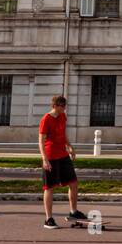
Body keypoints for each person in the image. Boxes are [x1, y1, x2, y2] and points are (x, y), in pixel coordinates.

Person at [39, 95, 87, 229]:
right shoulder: (46, 119)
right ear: (54, 106)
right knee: (49, 187)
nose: (64, 109)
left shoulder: (63, 117)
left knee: (73, 183)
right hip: (50, 157)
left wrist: (70, 146)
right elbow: (41, 142)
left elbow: (63, 134)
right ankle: (48, 219)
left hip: (63, 155)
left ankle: (73, 212)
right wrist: (44, 159)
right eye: (62, 106)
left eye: (65, 106)